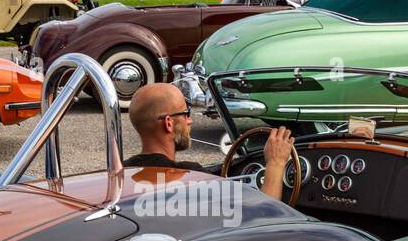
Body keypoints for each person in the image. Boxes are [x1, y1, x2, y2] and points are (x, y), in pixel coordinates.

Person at [124, 82, 293, 201]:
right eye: (185, 113)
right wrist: (276, 164)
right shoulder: (191, 177)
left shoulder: (119, 176)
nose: (189, 120)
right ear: (169, 123)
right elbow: (265, 216)